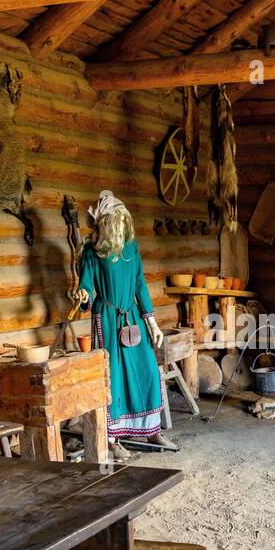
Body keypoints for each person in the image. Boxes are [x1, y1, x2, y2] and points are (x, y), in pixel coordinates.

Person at [76, 191, 177, 460]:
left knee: (146, 369)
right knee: (113, 377)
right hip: (106, 319)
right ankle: (112, 437)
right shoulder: (91, 252)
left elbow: (140, 285)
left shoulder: (131, 247)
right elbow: (85, 285)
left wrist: (152, 323)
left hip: (132, 317)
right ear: (107, 224)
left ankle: (150, 429)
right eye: (116, 223)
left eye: (124, 222)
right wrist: (83, 295)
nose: (121, 227)